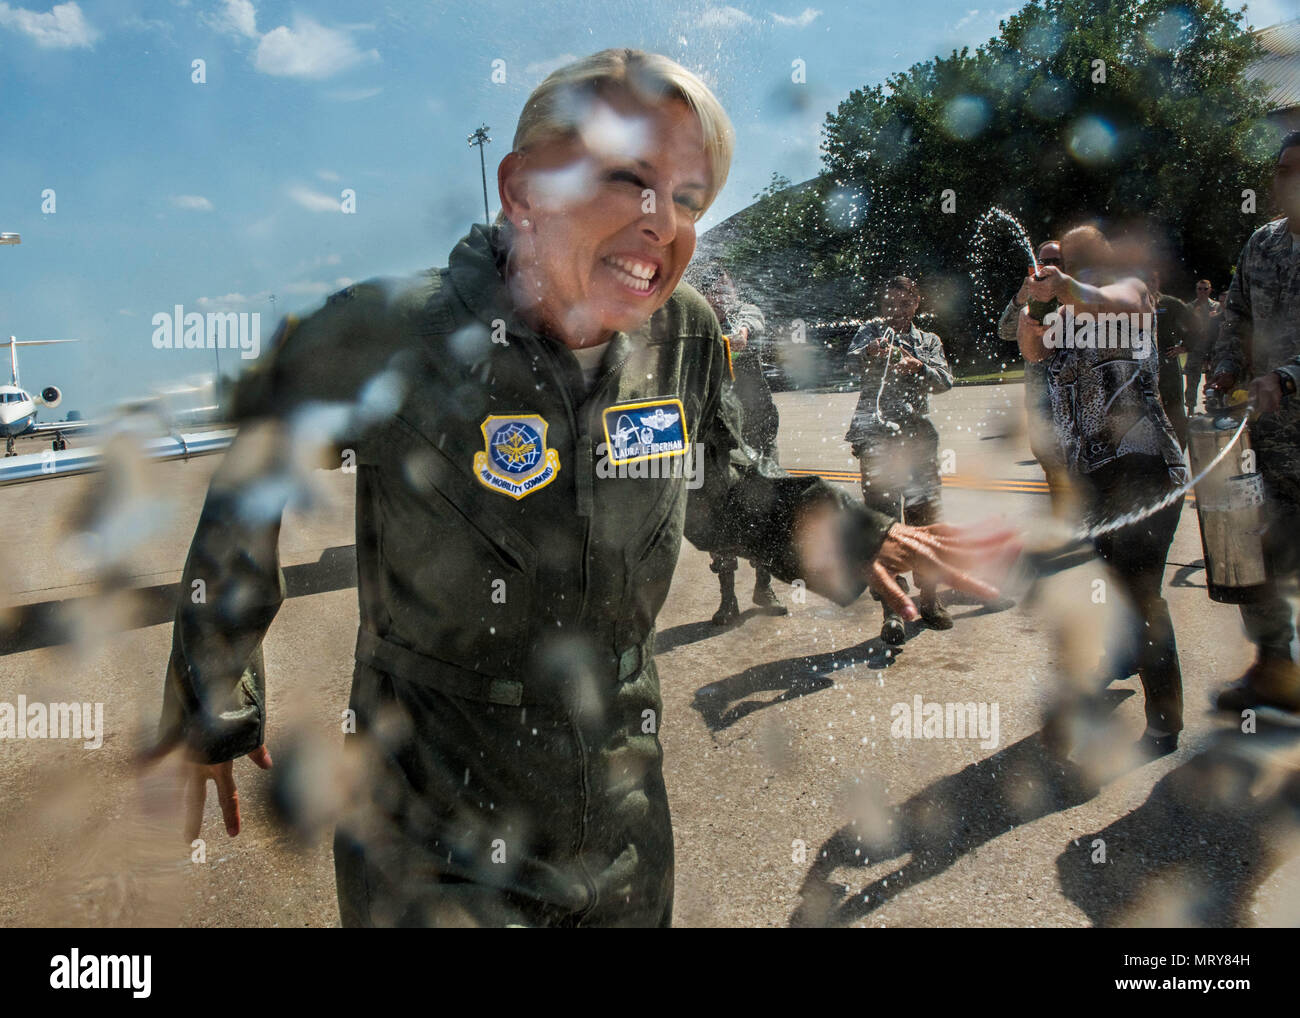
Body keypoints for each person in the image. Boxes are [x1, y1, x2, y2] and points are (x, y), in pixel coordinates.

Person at [149, 49, 1014, 928]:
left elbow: (716, 483)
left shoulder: (683, 333)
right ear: (522, 190)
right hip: (429, 830)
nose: (663, 225)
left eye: (687, 200)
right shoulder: (389, 332)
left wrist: (841, 530)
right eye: (630, 181)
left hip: (624, 821)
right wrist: (215, 693)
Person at [1019, 224, 1188, 757]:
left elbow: (1111, 300)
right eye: (1066, 259)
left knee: (1140, 594)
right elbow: (1030, 349)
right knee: (1111, 591)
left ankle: (1165, 722)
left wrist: (1067, 288)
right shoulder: (1063, 313)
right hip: (1087, 479)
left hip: (1143, 470)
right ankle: (1125, 660)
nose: (1071, 267)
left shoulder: (1129, 291)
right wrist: (1039, 304)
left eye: (1081, 258)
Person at [1205, 131, 1300, 715]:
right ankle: (1275, 668)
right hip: (1264, 437)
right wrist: (1222, 370)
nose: (1290, 180)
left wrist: (1287, 377)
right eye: (1284, 170)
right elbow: (1236, 314)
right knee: (1251, 549)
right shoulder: (1262, 243)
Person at [845, 276, 955, 645]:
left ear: (916, 303)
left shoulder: (928, 341)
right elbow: (848, 366)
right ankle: (892, 610)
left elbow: (945, 381)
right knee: (883, 525)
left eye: (903, 303)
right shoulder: (868, 333)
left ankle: (930, 598)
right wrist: (869, 353)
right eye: (890, 304)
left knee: (925, 521)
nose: (896, 311)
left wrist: (917, 368)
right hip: (877, 439)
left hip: (918, 441)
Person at [691, 262, 787, 624]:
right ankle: (727, 599)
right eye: (719, 289)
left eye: (729, 287)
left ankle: (764, 586)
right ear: (707, 294)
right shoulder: (700, 326)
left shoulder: (744, 313)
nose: (727, 295)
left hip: (759, 430)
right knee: (720, 515)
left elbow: (752, 323)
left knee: (768, 507)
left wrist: (740, 333)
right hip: (718, 436)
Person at [998, 240, 1071, 514]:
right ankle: (1064, 521)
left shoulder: (1077, 296)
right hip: (1041, 400)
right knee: (1050, 464)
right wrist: (1020, 297)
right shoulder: (1031, 298)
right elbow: (1004, 331)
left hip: (1075, 399)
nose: (1049, 267)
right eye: (1044, 261)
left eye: (1056, 261)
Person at [1147, 269, 1196, 448]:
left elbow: (1196, 329)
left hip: (1166, 366)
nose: (1148, 284)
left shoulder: (1170, 304)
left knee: (1174, 412)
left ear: (1157, 281)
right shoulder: (1130, 305)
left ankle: (1180, 451)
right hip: (1141, 367)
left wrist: (1184, 347)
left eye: (1152, 280)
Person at [1183, 279, 1219, 414]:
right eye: (1199, 289)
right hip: (1195, 349)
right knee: (1192, 380)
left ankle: (1212, 409)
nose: (1202, 292)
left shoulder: (1216, 307)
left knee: (1213, 380)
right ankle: (1190, 410)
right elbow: (1184, 328)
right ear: (1196, 290)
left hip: (1212, 349)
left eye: (1205, 289)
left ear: (1210, 290)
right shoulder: (1189, 307)